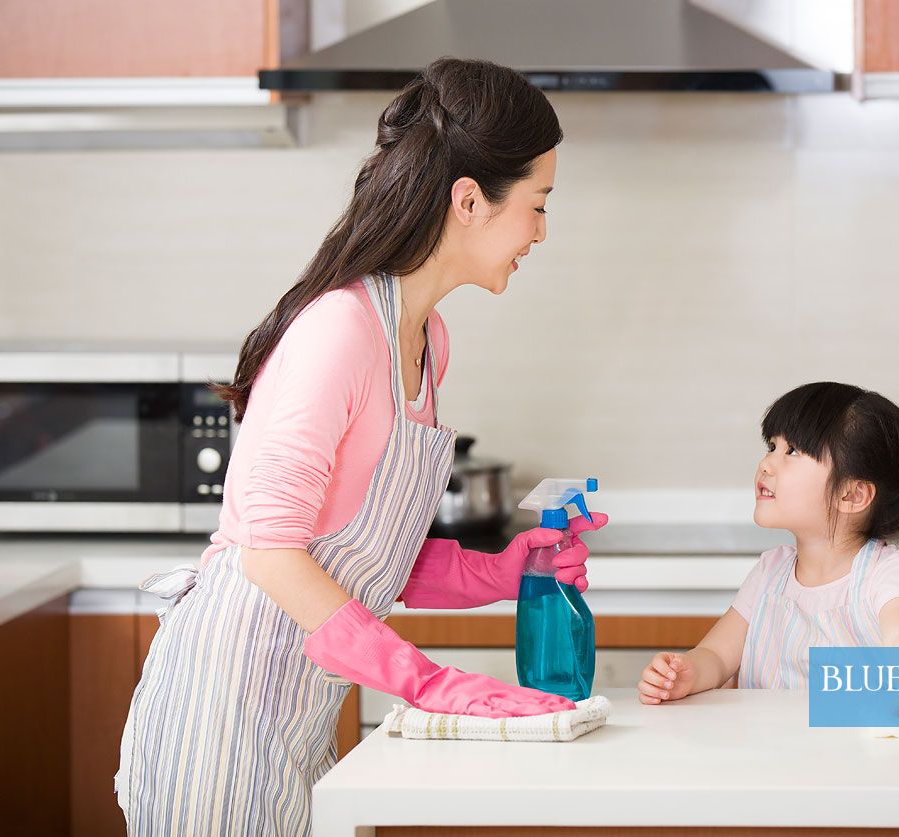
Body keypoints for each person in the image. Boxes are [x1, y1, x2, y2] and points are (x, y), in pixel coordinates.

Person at [116, 57, 605, 835]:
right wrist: (426, 681)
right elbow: (269, 551)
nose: (541, 230)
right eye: (538, 204)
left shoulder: (425, 341)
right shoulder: (339, 331)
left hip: (292, 716)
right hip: (219, 708)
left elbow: (362, 548)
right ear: (470, 201)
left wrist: (501, 571)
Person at [638, 381, 899, 703]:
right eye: (772, 446)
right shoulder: (771, 572)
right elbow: (716, 656)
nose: (766, 464)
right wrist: (687, 673)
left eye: (792, 451)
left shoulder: (888, 575)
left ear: (851, 494)